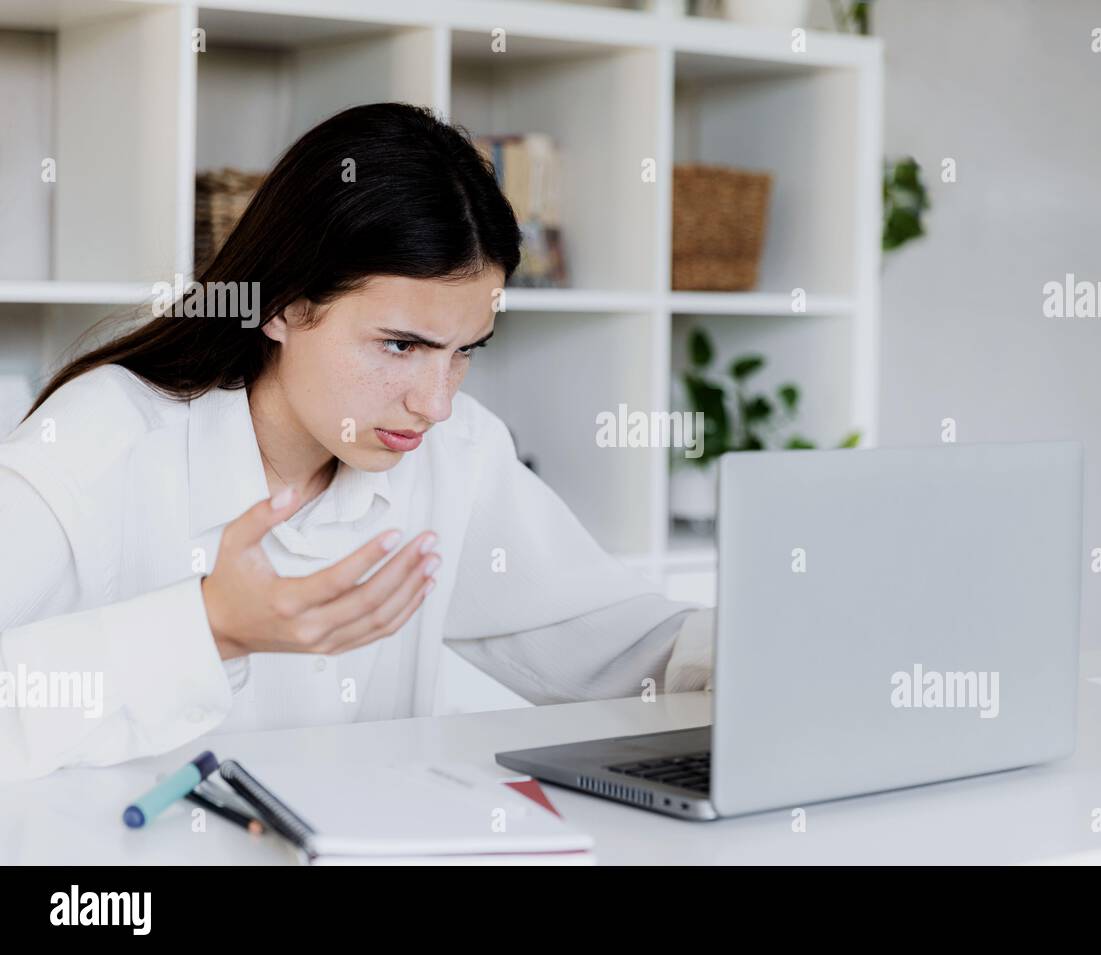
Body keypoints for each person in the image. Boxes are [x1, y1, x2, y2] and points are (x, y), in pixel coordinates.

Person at [0, 103, 713, 781]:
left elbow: (624, 647)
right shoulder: (100, 444)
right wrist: (210, 627)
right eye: (400, 344)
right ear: (282, 304)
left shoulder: (453, 451)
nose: (436, 402)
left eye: (466, 350)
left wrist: (774, 652)